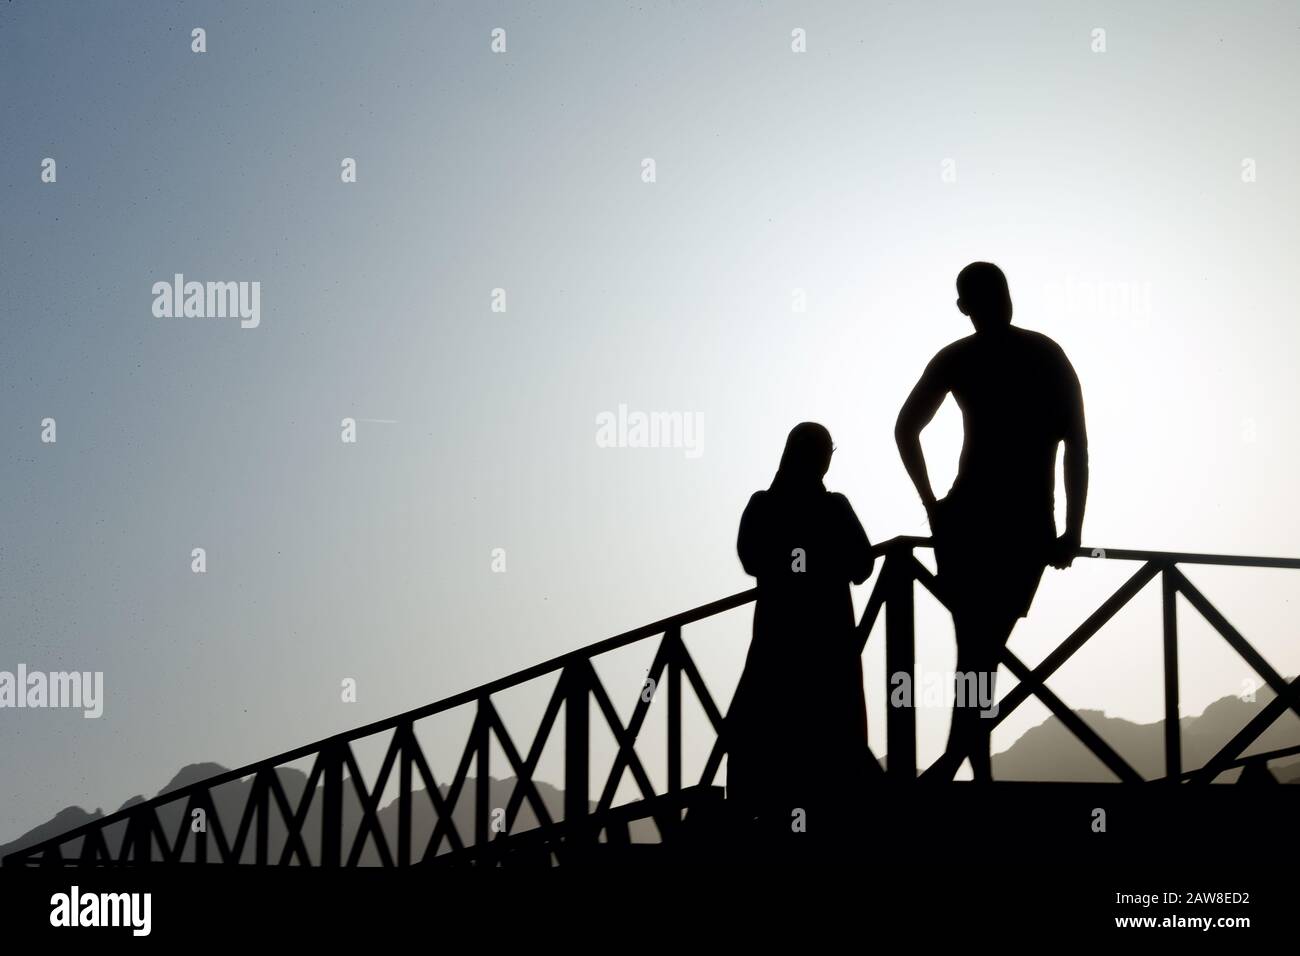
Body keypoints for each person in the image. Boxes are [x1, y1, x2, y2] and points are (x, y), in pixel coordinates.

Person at [895, 262, 1089, 782]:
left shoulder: (963, 358)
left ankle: (961, 768)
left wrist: (933, 505)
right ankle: (969, 771)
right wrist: (1072, 528)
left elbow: (905, 429)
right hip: (1017, 524)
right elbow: (1076, 445)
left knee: (976, 651)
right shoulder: (1044, 354)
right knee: (980, 653)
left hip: (975, 521)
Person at [728, 422, 880, 833]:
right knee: (833, 731)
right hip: (830, 648)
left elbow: (750, 558)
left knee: (762, 725)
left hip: (776, 644)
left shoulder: (763, 506)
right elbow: (863, 565)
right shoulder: (834, 508)